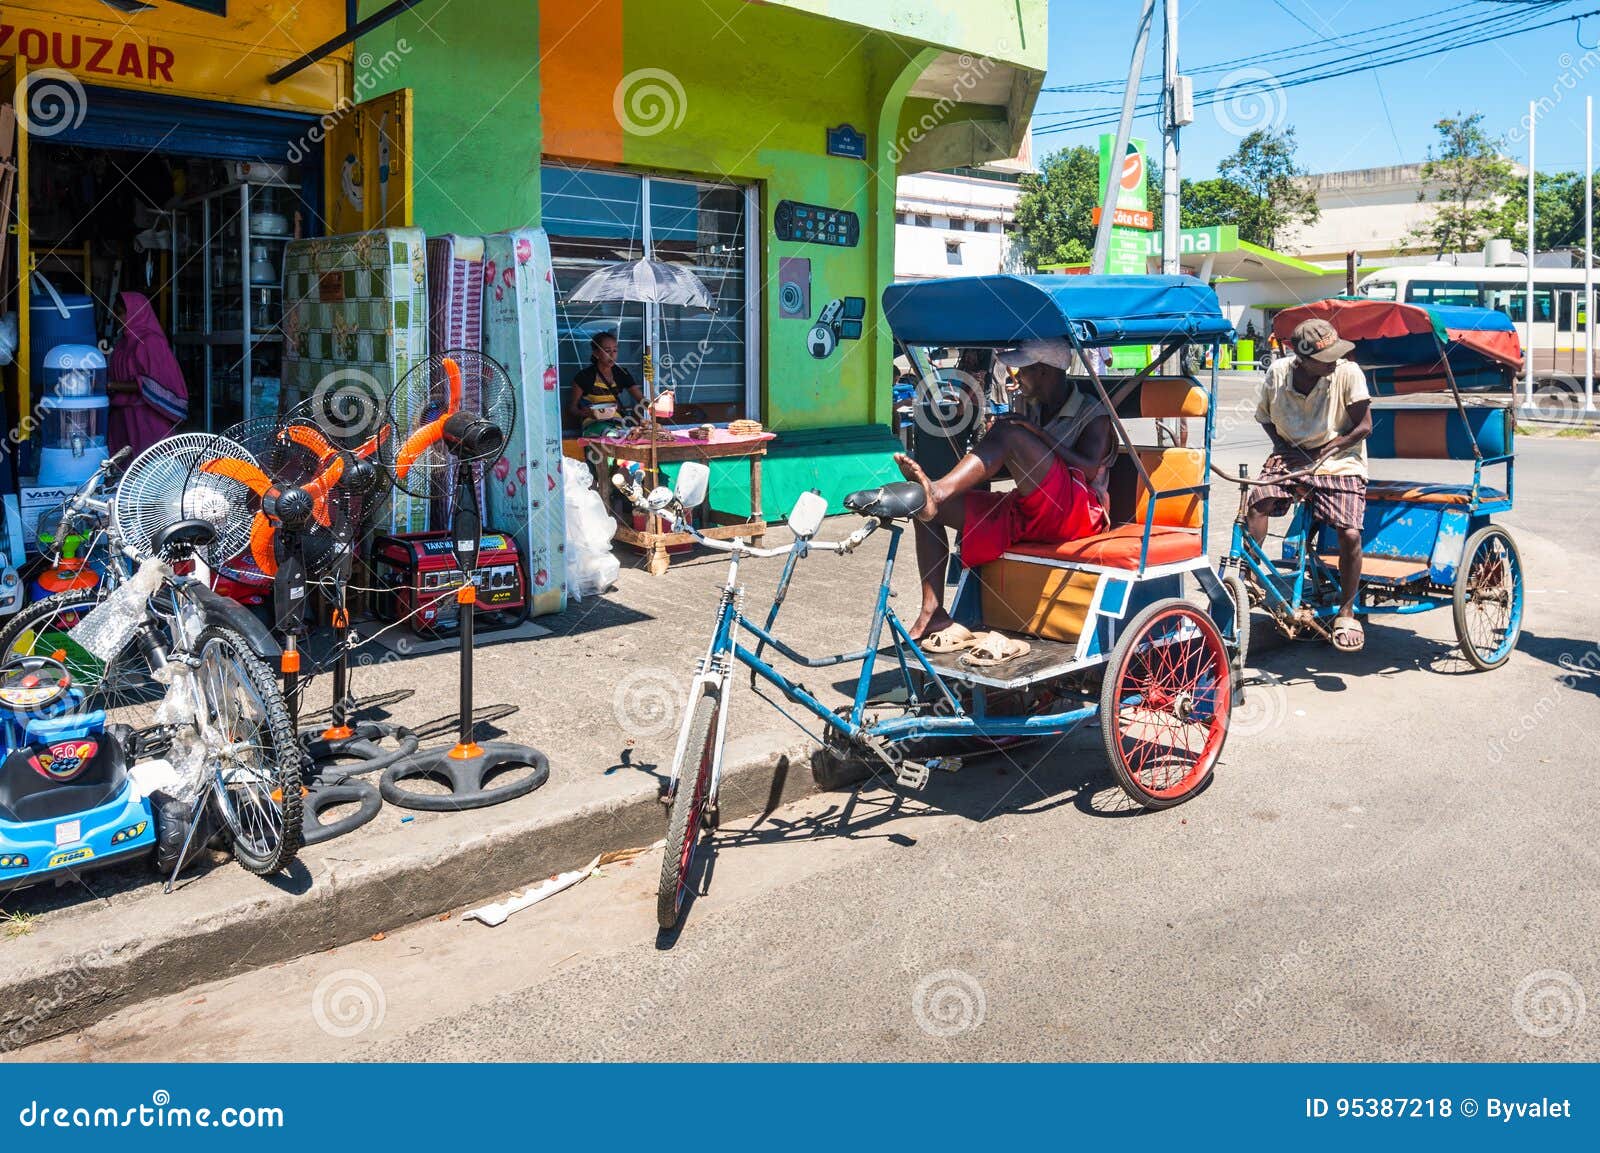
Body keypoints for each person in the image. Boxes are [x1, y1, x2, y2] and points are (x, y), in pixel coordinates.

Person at [894, 338, 1114, 647]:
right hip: (1032, 508)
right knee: (922, 505)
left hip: (1077, 515)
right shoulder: (1030, 406)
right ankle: (933, 610)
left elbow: (1089, 469)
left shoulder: (1095, 415)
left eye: (1021, 371)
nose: (1016, 377)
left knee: (1009, 434)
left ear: (1042, 371)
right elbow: (1014, 466)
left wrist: (1031, 434)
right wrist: (985, 454)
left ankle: (938, 491)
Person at [1248, 317, 1373, 653]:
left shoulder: (1347, 373)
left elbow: (1364, 427)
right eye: (1325, 357)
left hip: (1339, 459)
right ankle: (1248, 579)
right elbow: (1264, 417)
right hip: (1292, 457)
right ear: (1302, 359)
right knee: (1258, 499)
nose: (1333, 361)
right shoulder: (1277, 373)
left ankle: (1347, 612)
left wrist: (1324, 450)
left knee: (1349, 533)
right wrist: (1282, 447)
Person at [107, 291, 187, 458]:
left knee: (153, 469)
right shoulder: (122, 343)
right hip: (122, 419)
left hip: (146, 419)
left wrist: (110, 385)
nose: (116, 316)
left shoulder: (150, 341)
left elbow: (151, 382)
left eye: (120, 312)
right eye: (115, 311)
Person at [568, 331, 640, 436]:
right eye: (607, 351)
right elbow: (572, 408)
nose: (612, 355)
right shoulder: (584, 376)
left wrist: (653, 405)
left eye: (615, 350)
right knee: (609, 434)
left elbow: (640, 398)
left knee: (628, 435)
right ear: (596, 353)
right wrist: (585, 413)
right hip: (593, 425)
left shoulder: (622, 373)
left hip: (617, 423)